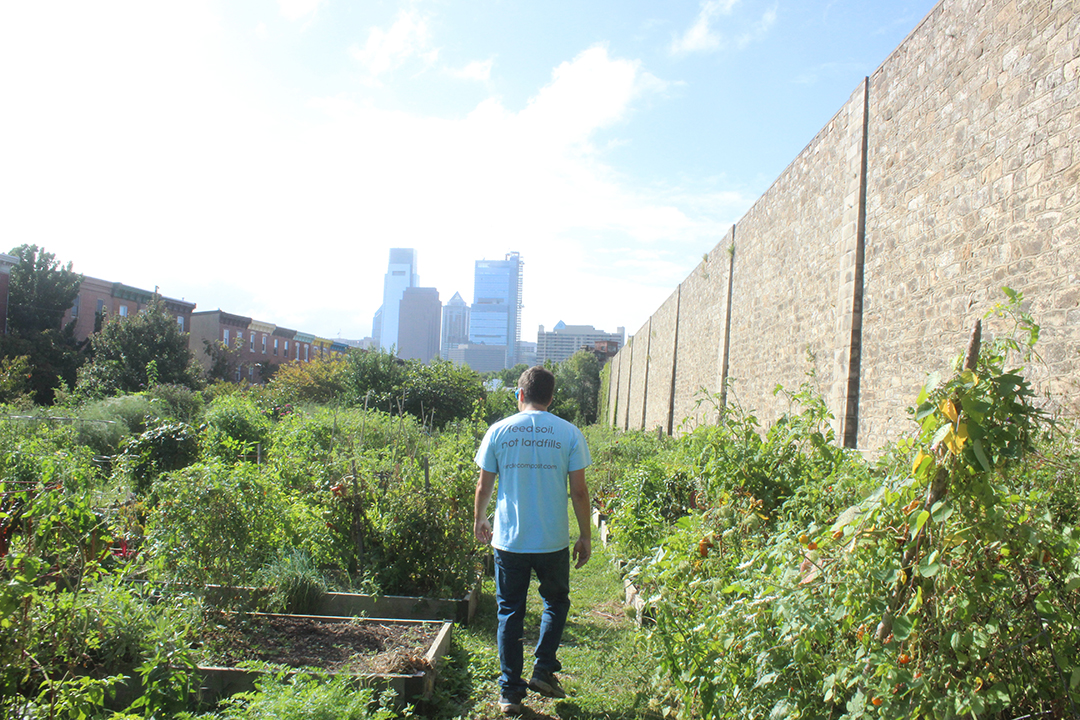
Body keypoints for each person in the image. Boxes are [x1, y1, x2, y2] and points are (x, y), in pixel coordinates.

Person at [473, 365, 592, 715]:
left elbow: (484, 485)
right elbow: (580, 492)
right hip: (552, 540)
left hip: (509, 540)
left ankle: (510, 693)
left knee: (509, 613)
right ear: (551, 397)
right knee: (555, 602)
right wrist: (585, 535)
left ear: (520, 394)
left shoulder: (498, 431)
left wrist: (480, 517)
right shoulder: (569, 433)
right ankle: (543, 669)